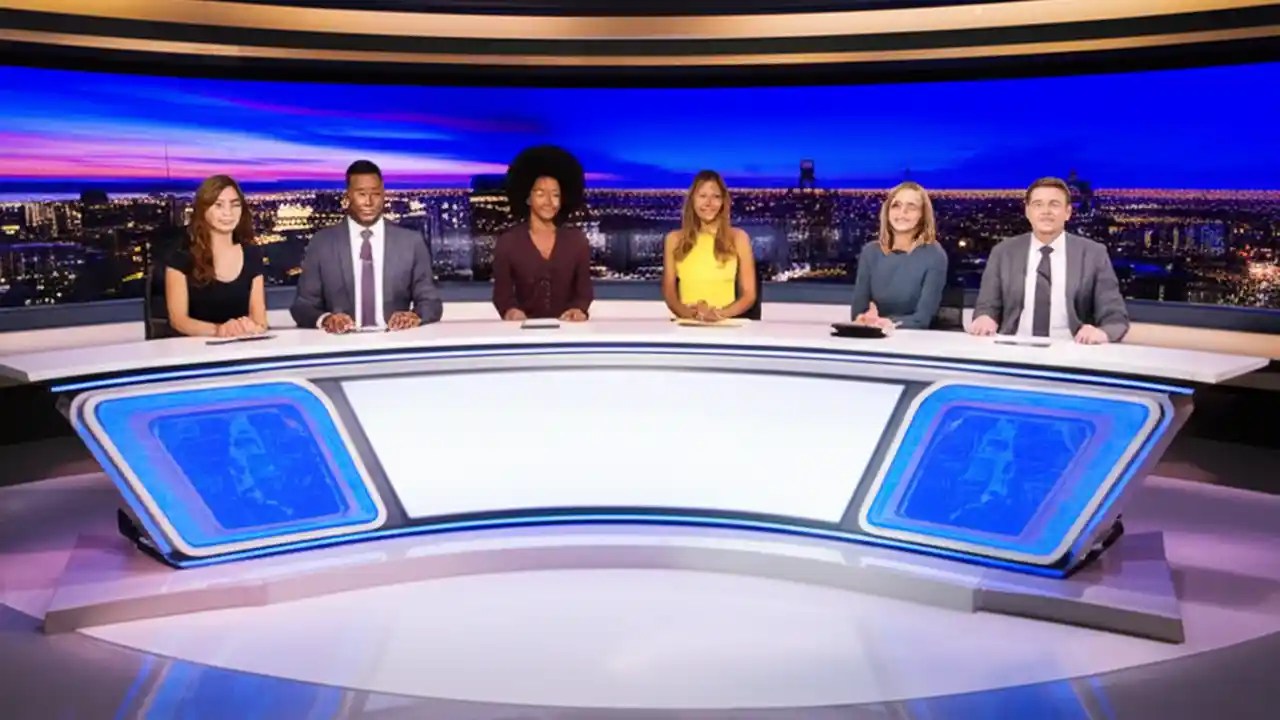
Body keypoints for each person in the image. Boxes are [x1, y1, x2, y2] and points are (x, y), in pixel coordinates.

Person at [969, 177, 1128, 344]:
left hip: (1074, 350)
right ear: (1027, 211)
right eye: (1038, 204)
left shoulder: (1093, 254)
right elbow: (986, 306)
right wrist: (985, 318)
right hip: (1013, 348)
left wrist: (1101, 332)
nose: (1046, 211)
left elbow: (1115, 316)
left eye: (1054, 204)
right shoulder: (1003, 252)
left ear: (1068, 212)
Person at [290, 160, 443, 332]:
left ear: (384, 194)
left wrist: (414, 316)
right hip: (340, 346)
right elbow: (302, 307)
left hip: (395, 343)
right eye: (361, 194)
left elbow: (431, 302)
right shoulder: (323, 243)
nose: (369, 202)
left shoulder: (411, 242)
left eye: (376, 194)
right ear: (348, 195)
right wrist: (326, 319)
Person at [492, 145, 593, 321]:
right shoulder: (507, 243)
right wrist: (511, 312)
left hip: (569, 332)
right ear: (528, 197)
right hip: (522, 336)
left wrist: (579, 310)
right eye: (540, 193)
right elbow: (502, 296)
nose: (549, 201)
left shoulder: (577, 242)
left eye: (555, 195)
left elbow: (584, 293)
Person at [165, 175, 267, 338]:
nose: (228, 213)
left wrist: (251, 327)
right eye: (218, 205)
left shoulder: (252, 255)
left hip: (242, 350)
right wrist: (220, 330)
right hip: (196, 352)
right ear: (204, 210)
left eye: (235, 205)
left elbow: (260, 321)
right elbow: (179, 321)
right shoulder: (181, 257)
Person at [849, 181, 948, 330]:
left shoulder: (934, 255)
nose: (903, 212)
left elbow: (922, 319)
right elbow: (858, 312)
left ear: (923, 215)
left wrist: (887, 323)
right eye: (896, 205)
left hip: (914, 341)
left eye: (911, 207)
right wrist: (865, 318)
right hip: (874, 337)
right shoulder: (870, 252)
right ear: (887, 211)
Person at [662, 170, 757, 321]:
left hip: (725, 325)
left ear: (723, 202)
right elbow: (670, 293)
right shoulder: (673, 239)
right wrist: (691, 315)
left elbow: (749, 295)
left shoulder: (738, 238)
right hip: (686, 325)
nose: (709, 203)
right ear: (692, 200)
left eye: (716, 197)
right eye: (702, 196)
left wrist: (719, 314)